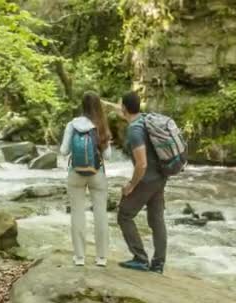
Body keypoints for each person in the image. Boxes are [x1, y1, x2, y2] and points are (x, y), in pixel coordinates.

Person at [116, 91, 168, 274]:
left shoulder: (134, 130)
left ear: (124, 108)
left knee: (124, 215)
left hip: (147, 179)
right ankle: (158, 263)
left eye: (120, 105)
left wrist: (131, 185)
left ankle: (140, 259)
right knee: (156, 219)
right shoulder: (145, 120)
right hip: (161, 176)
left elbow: (142, 163)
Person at [60, 91, 112, 267]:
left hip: (75, 173)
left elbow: (64, 151)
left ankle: (80, 257)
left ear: (82, 105)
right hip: (97, 173)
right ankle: (101, 257)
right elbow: (109, 155)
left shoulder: (72, 125)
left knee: (77, 213)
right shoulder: (100, 126)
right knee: (100, 214)